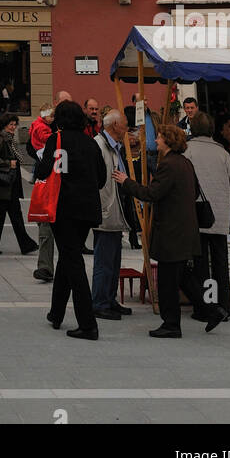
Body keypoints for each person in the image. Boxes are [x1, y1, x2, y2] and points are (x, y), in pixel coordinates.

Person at [115, 123, 228, 338]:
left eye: (158, 138)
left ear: (167, 141)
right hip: (185, 229)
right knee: (184, 277)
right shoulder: (185, 163)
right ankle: (213, 311)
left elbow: (152, 193)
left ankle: (171, 324)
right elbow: (194, 192)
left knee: (168, 282)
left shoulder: (168, 165)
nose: (155, 141)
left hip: (172, 232)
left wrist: (126, 182)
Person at [41, 99, 106, 340]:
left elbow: (43, 171)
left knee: (73, 262)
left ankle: (88, 324)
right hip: (87, 210)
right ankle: (56, 313)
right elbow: (101, 179)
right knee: (69, 257)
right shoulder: (90, 144)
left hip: (63, 209)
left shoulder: (56, 141)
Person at [187, 111, 230, 318]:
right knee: (220, 264)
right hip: (219, 216)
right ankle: (223, 306)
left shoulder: (188, 151)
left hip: (197, 215)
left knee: (201, 265)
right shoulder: (222, 153)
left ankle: (204, 307)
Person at [91, 111, 132, 320]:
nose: (127, 127)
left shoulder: (114, 146)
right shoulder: (99, 145)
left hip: (115, 209)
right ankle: (99, 302)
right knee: (104, 260)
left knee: (114, 260)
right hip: (106, 209)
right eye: (124, 124)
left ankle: (108, 298)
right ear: (115, 125)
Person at [0, 113, 37, 257]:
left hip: (11, 184)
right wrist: (7, 163)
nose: (13, 127)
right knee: (0, 217)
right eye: (11, 125)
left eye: (15, 125)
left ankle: (24, 245)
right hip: (3, 184)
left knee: (14, 216)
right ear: (4, 125)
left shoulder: (10, 140)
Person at [28, 104, 56, 282]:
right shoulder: (48, 132)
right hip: (49, 188)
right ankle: (45, 267)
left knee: (47, 229)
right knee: (45, 228)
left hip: (54, 188)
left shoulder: (42, 128)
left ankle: (47, 267)